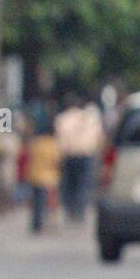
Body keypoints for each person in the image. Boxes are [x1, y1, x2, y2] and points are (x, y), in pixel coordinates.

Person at [54, 94, 103, 223]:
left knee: (69, 185)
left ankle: (70, 211)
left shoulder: (62, 118)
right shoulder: (89, 118)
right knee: (83, 184)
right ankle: (80, 212)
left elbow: (60, 140)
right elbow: (98, 138)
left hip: (69, 155)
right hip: (86, 154)